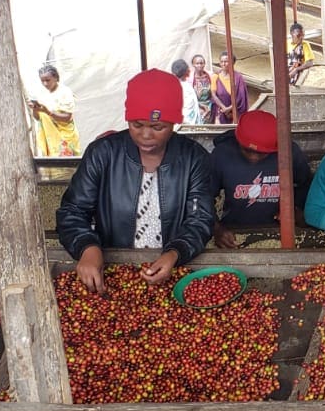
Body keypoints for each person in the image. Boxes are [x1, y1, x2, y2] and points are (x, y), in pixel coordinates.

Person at [55, 69, 215, 294]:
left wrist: (174, 254)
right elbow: (72, 211)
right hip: (113, 272)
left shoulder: (193, 159)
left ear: (174, 123)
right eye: (137, 125)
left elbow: (200, 220)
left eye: (158, 127)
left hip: (173, 271)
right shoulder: (103, 153)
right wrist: (87, 248)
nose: (146, 135)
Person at [209, 108, 312, 246]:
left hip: (279, 231)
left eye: (262, 153)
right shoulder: (222, 154)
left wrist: (295, 209)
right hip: (234, 232)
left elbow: (306, 184)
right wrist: (216, 228)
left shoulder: (289, 152)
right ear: (238, 140)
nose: (254, 157)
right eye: (248, 150)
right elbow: (204, 195)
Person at [29, 63, 81, 156]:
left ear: (56, 78)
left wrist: (48, 112)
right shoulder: (42, 94)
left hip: (64, 137)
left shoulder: (65, 92)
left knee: (66, 166)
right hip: (50, 138)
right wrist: (35, 109)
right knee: (52, 166)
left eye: (48, 80)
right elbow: (38, 118)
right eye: (42, 81)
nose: (45, 83)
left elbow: (68, 117)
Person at [209, 51, 248, 125]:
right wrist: (224, 108)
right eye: (221, 61)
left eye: (226, 61)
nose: (223, 64)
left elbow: (241, 97)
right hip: (220, 111)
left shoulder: (238, 78)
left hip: (235, 112)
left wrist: (229, 108)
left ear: (232, 63)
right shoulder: (215, 77)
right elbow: (213, 95)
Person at [171, 58, 200, 124]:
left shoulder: (174, 85)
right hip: (188, 123)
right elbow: (189, 106)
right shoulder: (186, 87)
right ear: (186, 71)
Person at [190, 54, 213, 123]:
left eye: (201, 63)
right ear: (193, 64)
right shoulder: (189, 78)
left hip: (210, 106)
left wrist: (208, 107)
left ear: (204, 64)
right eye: (197, 63)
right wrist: (201, 106)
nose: (199, 65)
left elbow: (214, 93)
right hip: (196, 106)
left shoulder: (210, 76)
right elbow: (189, 96)